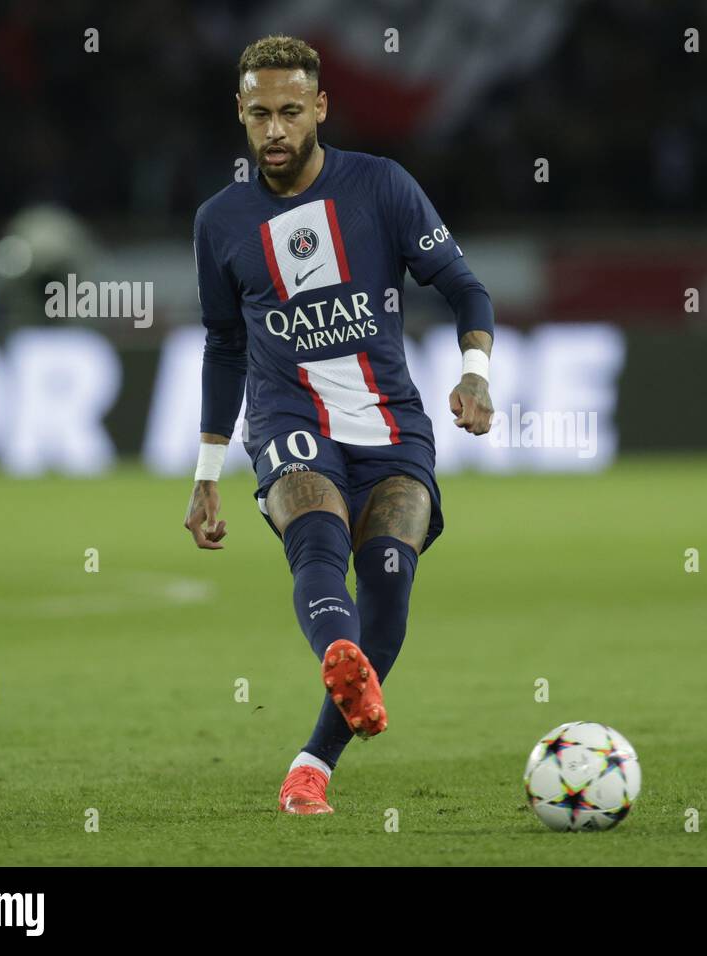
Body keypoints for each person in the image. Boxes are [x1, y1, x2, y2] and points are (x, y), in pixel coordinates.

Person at [183, 35, 495, 814]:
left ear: (320, 107)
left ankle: (311, 764)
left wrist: (474, 376)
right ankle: (338, 659)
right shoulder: (220, 222)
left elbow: (466, 288)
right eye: (261, 115)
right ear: (242, 116)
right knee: (316, 534)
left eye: (291, 111)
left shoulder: (382, 187)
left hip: (391, 423)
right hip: (288, 416)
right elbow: (224, 346)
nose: (276, 130)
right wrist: (205, 476)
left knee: (387, 588)